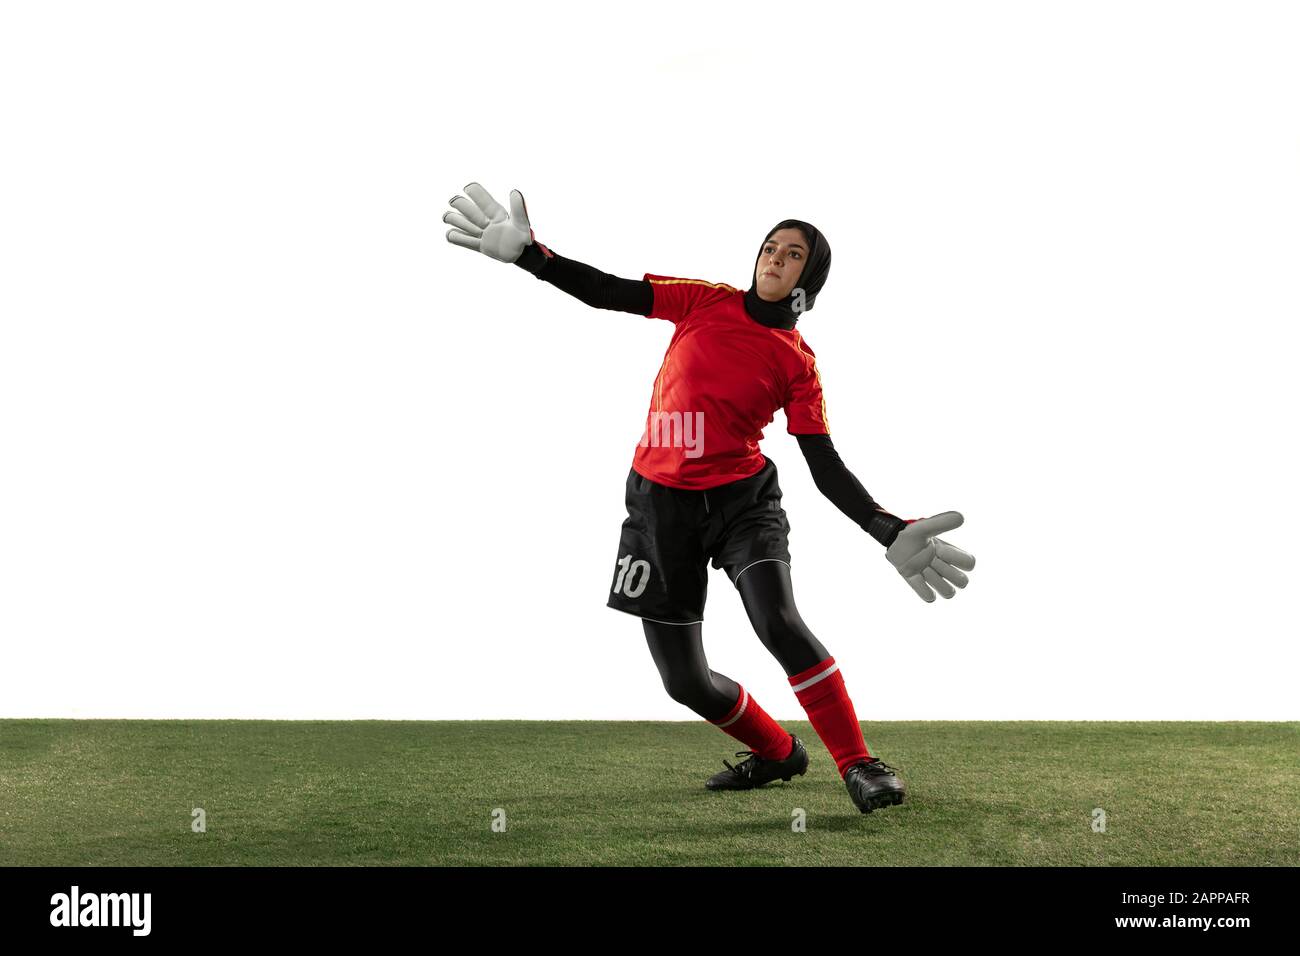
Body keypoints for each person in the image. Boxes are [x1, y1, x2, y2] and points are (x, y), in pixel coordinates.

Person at [444, 183, 976, 814]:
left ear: (813, 279)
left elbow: (823, 463)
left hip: (742, 505)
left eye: (793, 254)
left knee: (778, 623)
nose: (774, 259)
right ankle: (779, 753)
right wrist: (533, 256)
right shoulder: (703, 302)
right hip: (657, 505)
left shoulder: (798, 363)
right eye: (769, 248)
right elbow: (608, 292)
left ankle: (859, 764)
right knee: (684, 682)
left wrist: (886, 527)